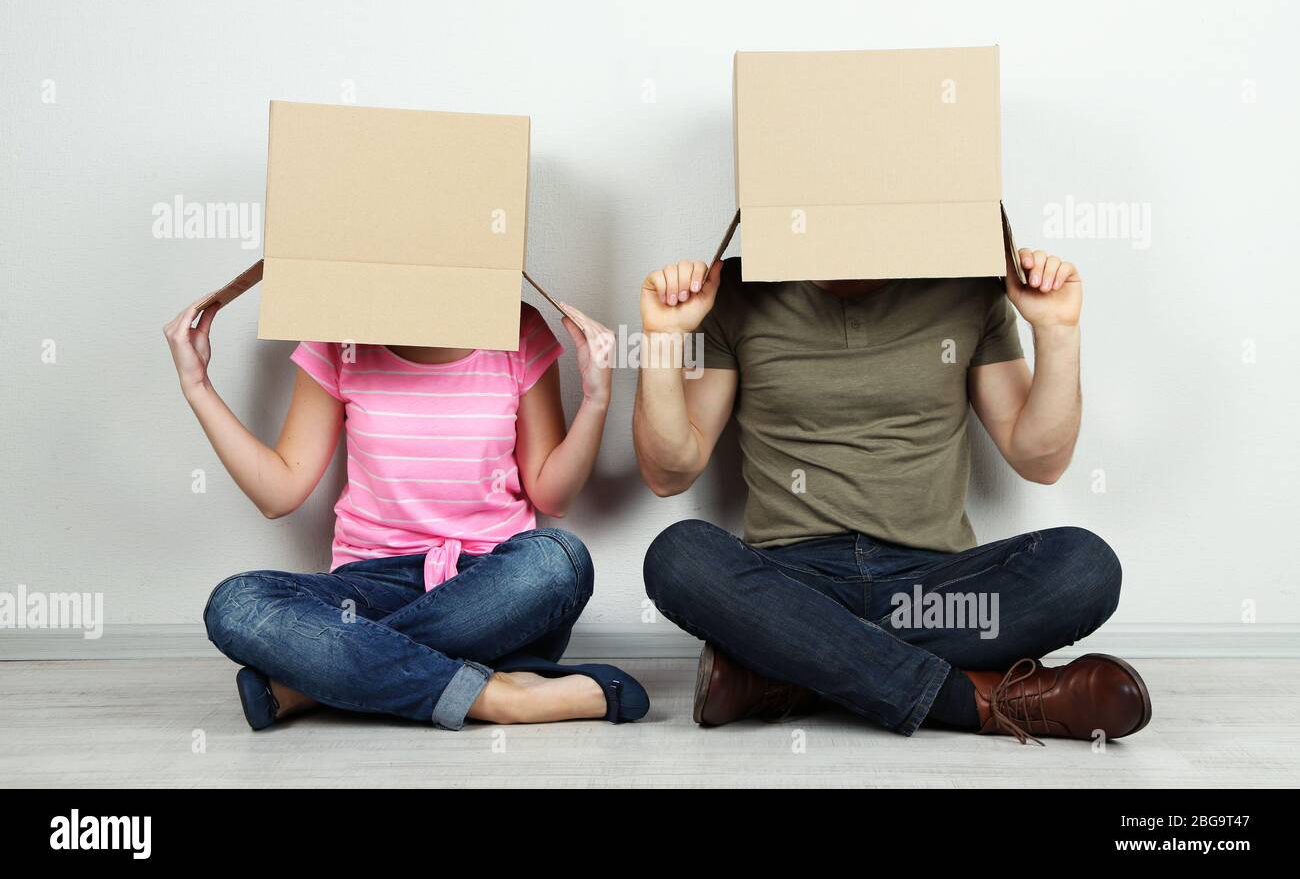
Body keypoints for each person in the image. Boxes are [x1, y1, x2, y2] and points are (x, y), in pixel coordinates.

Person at [634, 247, 1149, 744]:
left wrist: (1057, 330)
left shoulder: (968, 287)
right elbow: (668, 474)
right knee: (679, 556)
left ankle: (795, 670)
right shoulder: (736, 291)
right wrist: (662, 338)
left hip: (934, 598)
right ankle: (972, 702)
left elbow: (1041, 461)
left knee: (1086, 566)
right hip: (796, 583)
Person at [164, 296, 648, 731]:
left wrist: (596, 399)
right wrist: (197, 385)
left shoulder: (518, 327)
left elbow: (552, 495)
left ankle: (314, 682)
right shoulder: (339, 336)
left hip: (492, 592)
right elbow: (280, 492)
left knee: (559, 561)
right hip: (370, 587)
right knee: (237, 602)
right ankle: (500, 697)